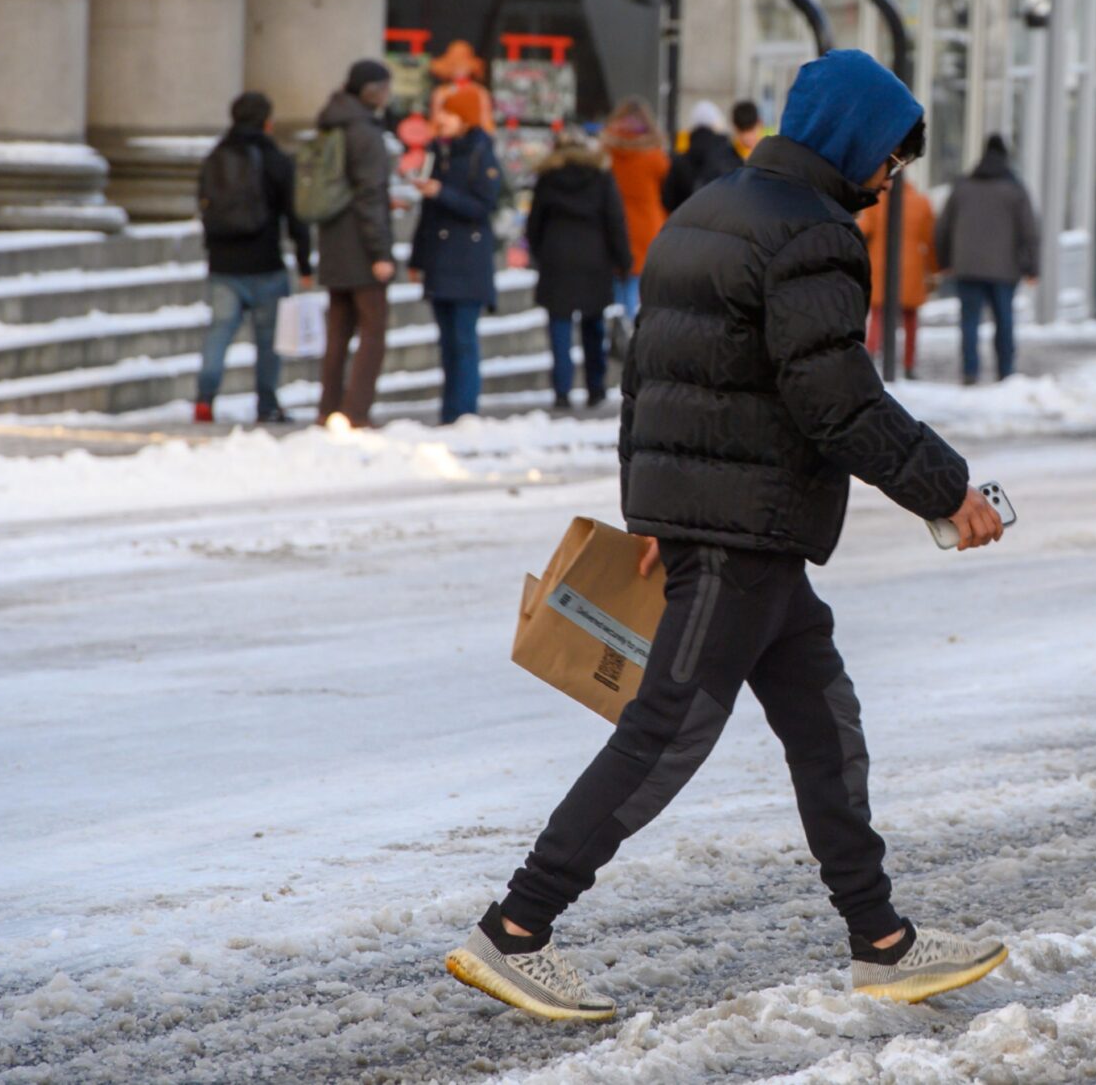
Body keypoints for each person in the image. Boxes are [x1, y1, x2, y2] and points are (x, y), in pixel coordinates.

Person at [445, 49, 1011, 1020]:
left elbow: (647, 374)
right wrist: (944, 489)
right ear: (853, 144)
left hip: (736, 529)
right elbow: (833, 395)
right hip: (742, 530)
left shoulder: (707, 208)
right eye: (889, 158)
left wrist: (650, 513)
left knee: (825, 727)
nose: (890, 179)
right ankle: (515, 929)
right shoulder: (812, 236)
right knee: (666, 733)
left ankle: (880, 941)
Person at [194, 91, 311, 425]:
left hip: (223, 264)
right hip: (266, 264)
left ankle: (205, 397)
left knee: (218, 333)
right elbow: (295, 214)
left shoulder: (216, 156)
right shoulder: (275, 160)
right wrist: (304, 261)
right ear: (267, 122)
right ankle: (266, 402)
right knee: (268, 341)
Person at [409, 97, 503, 424]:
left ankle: (465, 413)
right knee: (447, 343)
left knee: (463, 341)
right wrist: (417, 258)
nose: (441, 119)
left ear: (465, 118)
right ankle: (451, 413)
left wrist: (441, 193)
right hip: (439, 261)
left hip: (468, 262)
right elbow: (428, 215)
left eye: (448, 113)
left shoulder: (481, 152)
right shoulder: (438, 151)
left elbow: (484, 206)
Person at [314, 60, 396, 429]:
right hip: (361, 247)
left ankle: (328, 407)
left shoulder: (332, 125)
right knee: (373, 331)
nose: (388, 95)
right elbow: (369, 195)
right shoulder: (365, 132)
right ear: (371, 90)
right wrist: (380, 252)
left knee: (338, 332)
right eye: (385, 87)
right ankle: (356, 412)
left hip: (333, 240)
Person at [525, 133, 631, 409]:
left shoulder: (549, 178)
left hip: (556, 258)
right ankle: (595, 387)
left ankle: (562, 390)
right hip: (594, 260)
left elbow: (534, 223)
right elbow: (615, 221)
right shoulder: (601, 176)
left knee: (559, 327)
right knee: (593, 326)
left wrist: (539, 254)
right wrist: (624, 260)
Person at [935, 135, 1039, 385]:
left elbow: (943, 226)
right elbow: (1029, 230)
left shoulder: (963, 185)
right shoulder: (1014, 188)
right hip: (1004, 269)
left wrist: (945, 260)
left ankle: (970, 371)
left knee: (969, 321)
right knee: (1004, 321)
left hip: (967, 265)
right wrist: (1031, 266)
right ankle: (1005, 371)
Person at [857, 174, 938, 377]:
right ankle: (909, 364)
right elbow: (930, 239)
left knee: (877, 315)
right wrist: (934, 269)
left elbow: (863, 230)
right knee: (910, 319)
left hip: (881, 265)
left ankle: (872, 353)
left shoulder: (877, 202)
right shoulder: (921, 202)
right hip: (912, 267)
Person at [603, 98, 669, 318]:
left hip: (611, 228)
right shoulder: (655, 157)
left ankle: (616, 331)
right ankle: (629, 333)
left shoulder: (606, 154)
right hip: (647, 229)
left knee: (615, 287)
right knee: (636, 289)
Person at [662, 100, 741, 213]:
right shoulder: (731, 159)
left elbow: (668, 201)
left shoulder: (679, 162)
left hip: (685, 226)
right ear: (718, 125)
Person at [428, 40, 496, 134]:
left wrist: (488, 131)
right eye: (455, 66)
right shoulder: (442, 92)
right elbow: (435, 116)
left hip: (473, 136)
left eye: (463, 66)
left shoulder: (479, 91)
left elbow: (485, 117)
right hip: (449, 135)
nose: (460, 70)